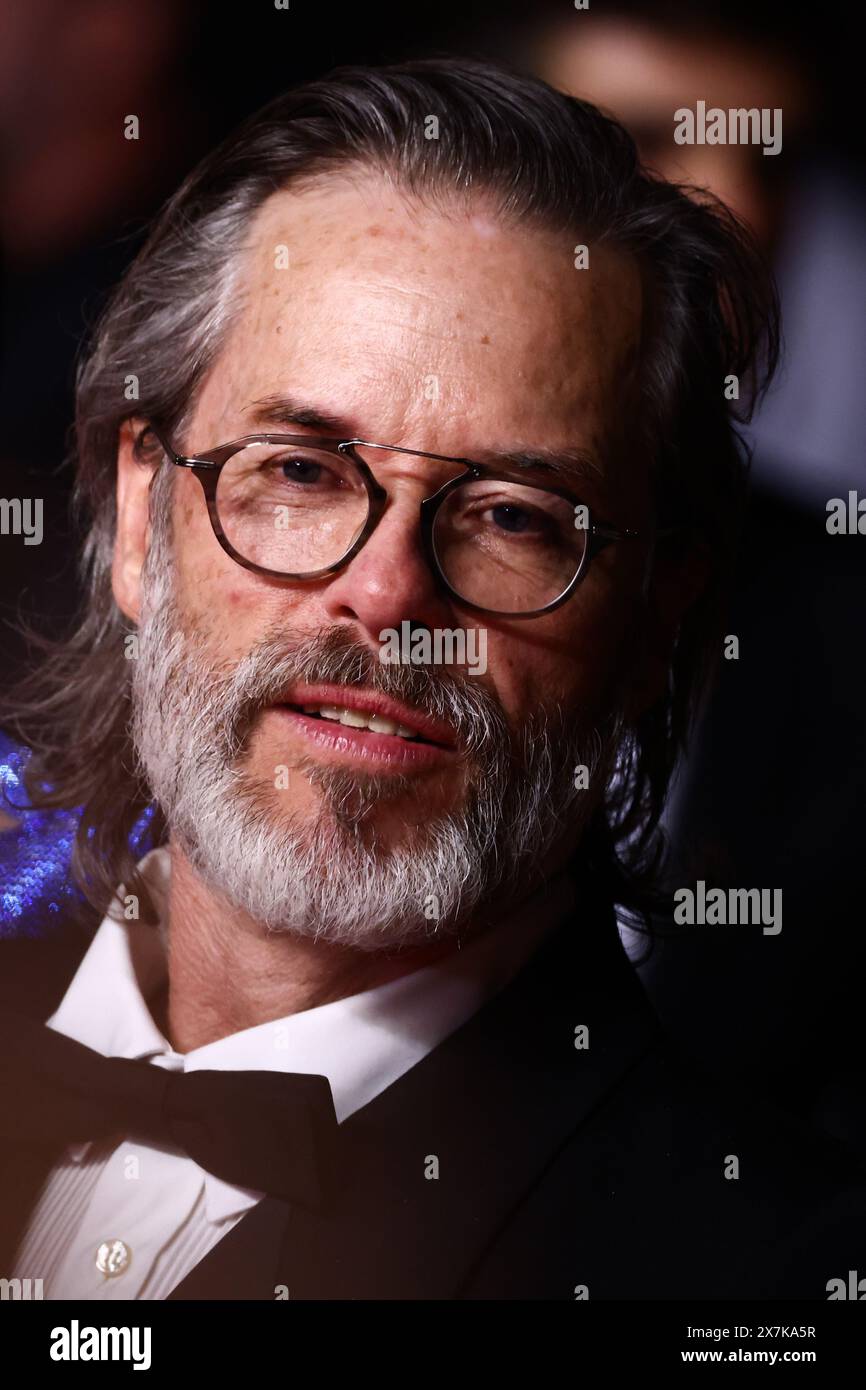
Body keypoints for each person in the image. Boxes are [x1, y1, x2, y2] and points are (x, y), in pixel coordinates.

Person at [0, 59, 862, 1301]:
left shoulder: (772, 1279)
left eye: (511, 515)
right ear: (142, 520)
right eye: (299, 472)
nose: (389, 593)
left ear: (654, 621)